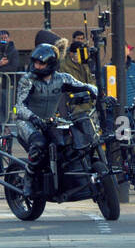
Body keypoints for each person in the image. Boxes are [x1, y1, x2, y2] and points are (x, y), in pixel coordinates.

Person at [14, 44, 89, 187]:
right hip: (27, 123)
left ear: (51, 63)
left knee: (65, 144)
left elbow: (85, 85)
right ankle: (29, 178)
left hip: (50, 121)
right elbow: (19, 107)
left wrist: (102, 95)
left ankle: (64, 180)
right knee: (39, 145)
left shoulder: (62, 78)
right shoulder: (27, 80)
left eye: (41, 63)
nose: (36, 66)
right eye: (35, 62)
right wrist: (33, 118)